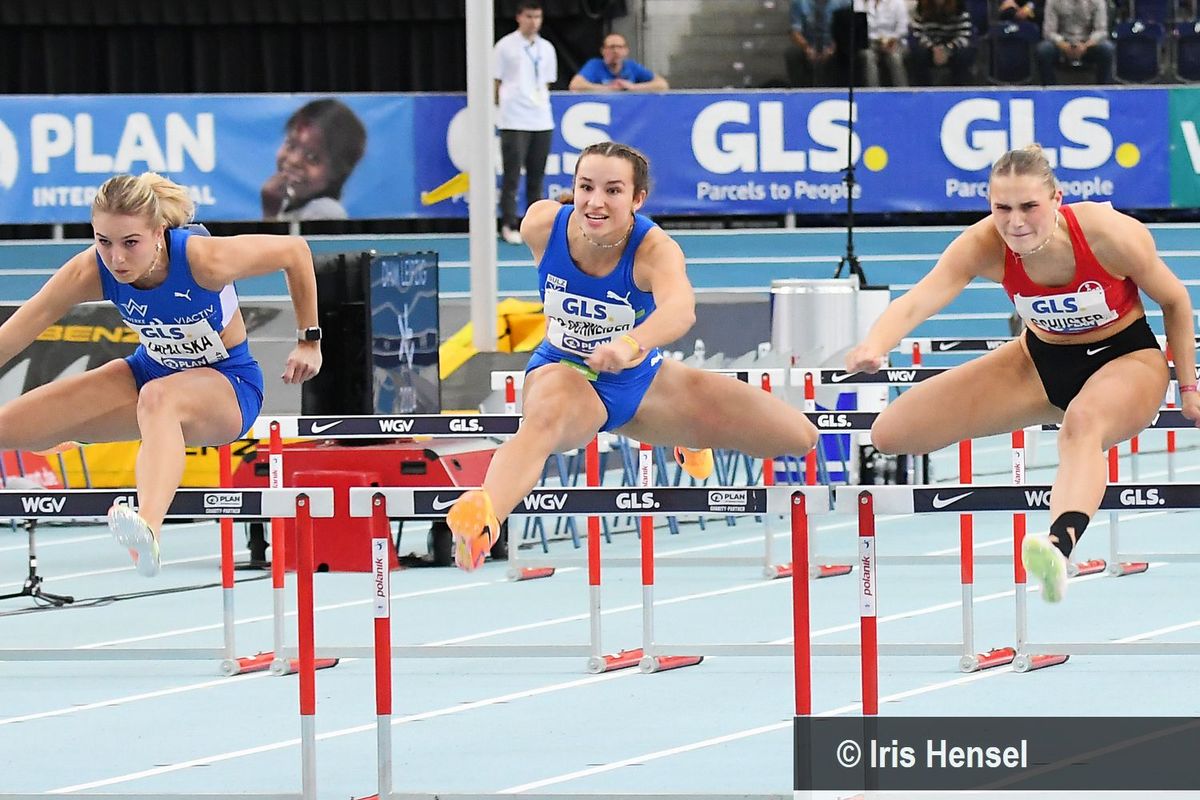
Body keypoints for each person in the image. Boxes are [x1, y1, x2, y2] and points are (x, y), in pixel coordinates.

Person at [844, 145, 1199, 603]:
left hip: (1125, 360)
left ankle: (1057, 547)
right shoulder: (982, 244)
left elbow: (1175, 301)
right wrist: (875, 345)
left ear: (1057, 200)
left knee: (1081, 427)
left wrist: (1188, 388)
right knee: (892, 432)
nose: (1015, 222)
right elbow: (918, 300)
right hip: (1038, 361)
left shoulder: (1109, 234)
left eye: (1029, 206)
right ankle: (1047, 418)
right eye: (1002, 208)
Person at [444, 141, 820, 571]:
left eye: (613, 190)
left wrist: (629, 344)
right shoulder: (541, 226)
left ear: (637, 199)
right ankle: (483, 520)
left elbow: (681, 309)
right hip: (564, 373)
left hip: (643, 380)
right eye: (586, 187)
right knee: (546, 419)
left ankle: (689, 434)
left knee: (797, 437)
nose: (596, 202)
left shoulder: (654, 249)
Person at [3, 172, 322, 577]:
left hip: (228, 385)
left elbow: (295, 250)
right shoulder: (90, 269)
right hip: (148, 370)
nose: (116, 258)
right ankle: (72, 433)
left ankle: (148, 530)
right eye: (103, 242)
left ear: (158, 233)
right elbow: (16, 332)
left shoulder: (204, 259)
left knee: (158, 397)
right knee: (9, 427)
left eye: (130, 243)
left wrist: (309, 339)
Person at [494, 0, 558, 246]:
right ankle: (509, 223)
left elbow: (546, 82)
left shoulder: (547, 48)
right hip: (513, 119)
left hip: (541, 118)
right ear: (519, 17)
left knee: (537, 177)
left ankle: (535, 227)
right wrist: (502, 108)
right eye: (529, 16)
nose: (534, 21)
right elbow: (496, 82)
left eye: (538, 17)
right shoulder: (505, 46)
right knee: (512, 176)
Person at [261, 98, 368, 222]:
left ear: (336, 172)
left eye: (312, 158)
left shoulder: (325, 212)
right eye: (291, 145)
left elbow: (289, 242)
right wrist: (270, 211)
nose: (294, 160)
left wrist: (270, 215)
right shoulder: (289, 201)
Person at [1036, 0, 1113, 85]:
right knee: (1044, 49)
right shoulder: (1053, 1)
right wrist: (1064, 45)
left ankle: (1104, 88)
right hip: (1061, 44)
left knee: (1107, 48)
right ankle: (1049, 90)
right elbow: (1049, 32)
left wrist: (1085, 45)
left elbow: (1101, 31)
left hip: (1088, 44)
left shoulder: (1098, 1)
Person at [568, 33, 670, 92]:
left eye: (620, 47)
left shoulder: (631, 66)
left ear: (626, 50)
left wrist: (633, 87)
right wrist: (608, 88)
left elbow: (662, 84)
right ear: (603, 51)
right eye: (611, 47)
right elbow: (575, 85)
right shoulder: (595, 65)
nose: (616, 51)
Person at [908, 0, 976, 86]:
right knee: (918, 53)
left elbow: (965, 34)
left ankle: (958, 89)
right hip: (930, 47)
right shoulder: (921, 7)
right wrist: (933, 48)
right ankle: (923, 89)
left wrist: (948, 48)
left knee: (964, 55)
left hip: (953, 47)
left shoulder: (960, 6)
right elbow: (917, 33)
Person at [785, 0, 851, 87]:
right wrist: (806, 47)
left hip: (835, 44)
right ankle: (799, 90)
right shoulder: (799, 3)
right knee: (792, 53)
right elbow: (795, 31)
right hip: (809, 44)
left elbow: (846, 30)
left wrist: (833, 48)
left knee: (848, 50)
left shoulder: (844, 3)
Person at [858, 0, 910, 87]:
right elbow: (860, 28)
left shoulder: (897, 3)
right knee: (868, 57)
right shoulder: (862, 3)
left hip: (894, 41)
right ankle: (873, 92)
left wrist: (891, 39)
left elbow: (903, 29)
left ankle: (902, 91)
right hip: (870, 42)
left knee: (895, 58)